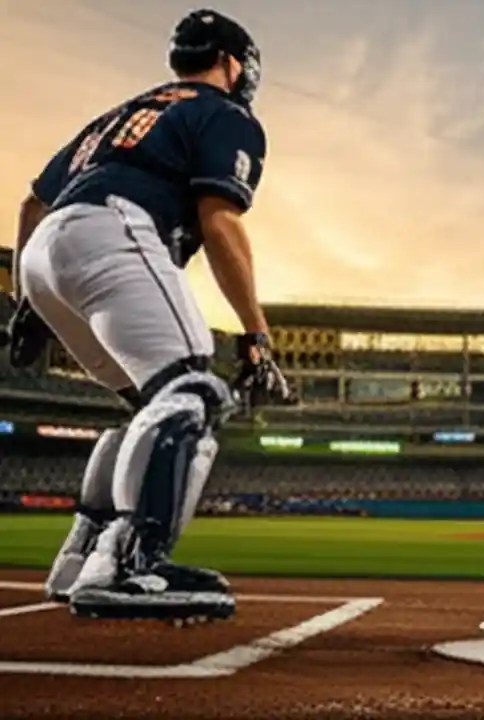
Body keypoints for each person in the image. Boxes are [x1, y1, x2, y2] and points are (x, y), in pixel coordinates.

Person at [6, 9, 290, 623]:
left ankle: (80, 558)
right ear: (232, 64)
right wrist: (257, 335)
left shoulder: (121, 114)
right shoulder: (225, 113)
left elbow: (33, 203)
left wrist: (26, 302)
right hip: (115, 227)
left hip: (46, 254)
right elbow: (220, 221)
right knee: (193, 391)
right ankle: (128, 565)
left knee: (153, 406)